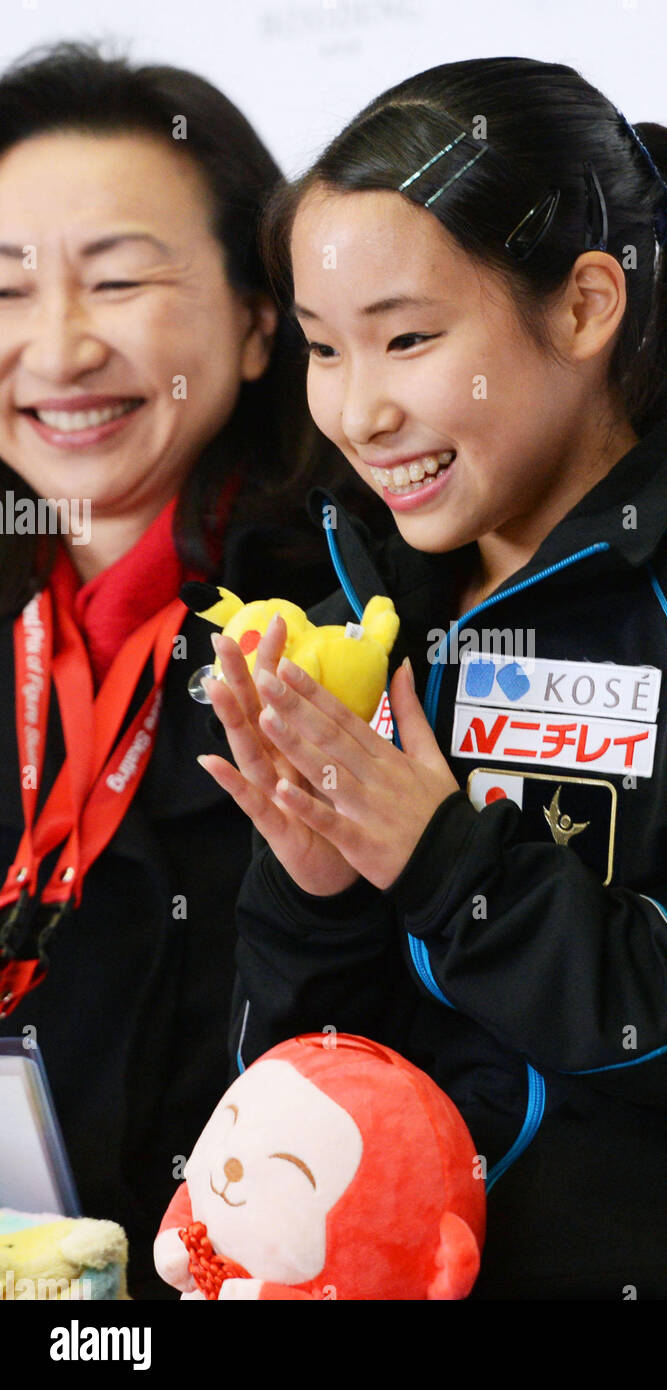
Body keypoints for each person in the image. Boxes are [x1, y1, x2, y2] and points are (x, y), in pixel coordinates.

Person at [200, 57, 667, 1299]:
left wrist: (450, 868)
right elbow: (300, 1106)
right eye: (326, 352)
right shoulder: (366, 628)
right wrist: (320, 896)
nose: (357, 410)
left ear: (587, 306)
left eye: (408, 339)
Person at [0, 42, 378, 1299]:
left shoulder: (351, 622)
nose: (56, 347)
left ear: (263, 319)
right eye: (4, 288)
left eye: (115, 280)